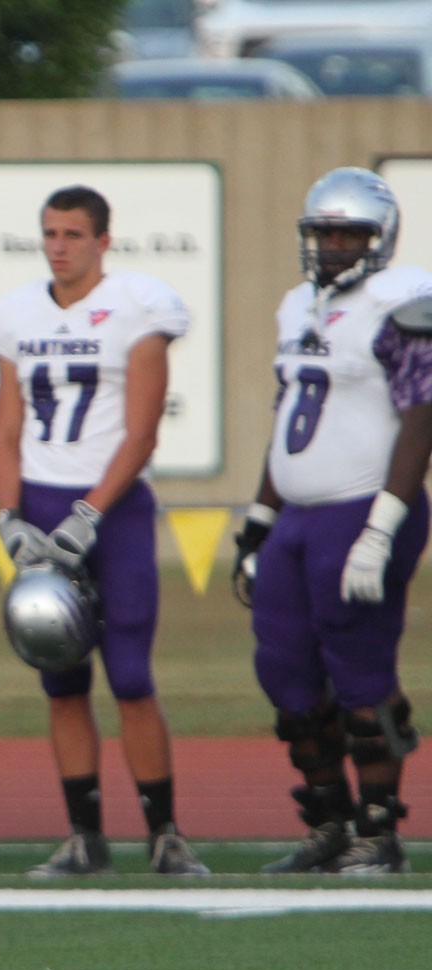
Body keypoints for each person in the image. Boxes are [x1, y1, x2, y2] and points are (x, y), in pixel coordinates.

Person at [0, 184, 207, 879]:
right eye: (50, 232)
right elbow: (7, 428)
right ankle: (86, 837)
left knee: (132, 676)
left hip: (114, 511)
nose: (58, 245)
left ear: (103, 241)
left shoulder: (137, 309)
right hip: (41, 506)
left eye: (73, 234)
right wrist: (7, 517)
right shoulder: (17, 314)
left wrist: (92, 512)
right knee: (62, 678)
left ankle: (165, 833)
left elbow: (142, 433)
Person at [232, 167, 432, 875]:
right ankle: (329, 820)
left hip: (363, 506)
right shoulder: (298, 305)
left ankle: (380, 831)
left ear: (380, 239)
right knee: (283, 669)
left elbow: (421, 418)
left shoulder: (402, 300)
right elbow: (292, 415)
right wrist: (260, 516)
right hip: (298, 516)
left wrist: (382, 527)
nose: (336, 245)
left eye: (350, 233)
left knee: (360, 672)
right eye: (325, 232)